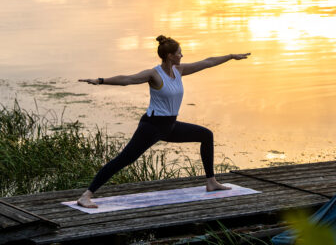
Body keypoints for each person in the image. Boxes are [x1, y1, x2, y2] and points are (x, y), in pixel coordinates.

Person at [77, 35, 250, 208]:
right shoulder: (154, 74)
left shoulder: (178, 71)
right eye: (179, 53)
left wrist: (231, 56)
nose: (182, 56)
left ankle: (211, 182)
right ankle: (86, 195)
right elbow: (128, 80)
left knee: (206, 135)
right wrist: (101, 81)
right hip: (151, 127)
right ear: (170, 56)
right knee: (124, 160)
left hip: (170, 126)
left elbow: (208, 62)